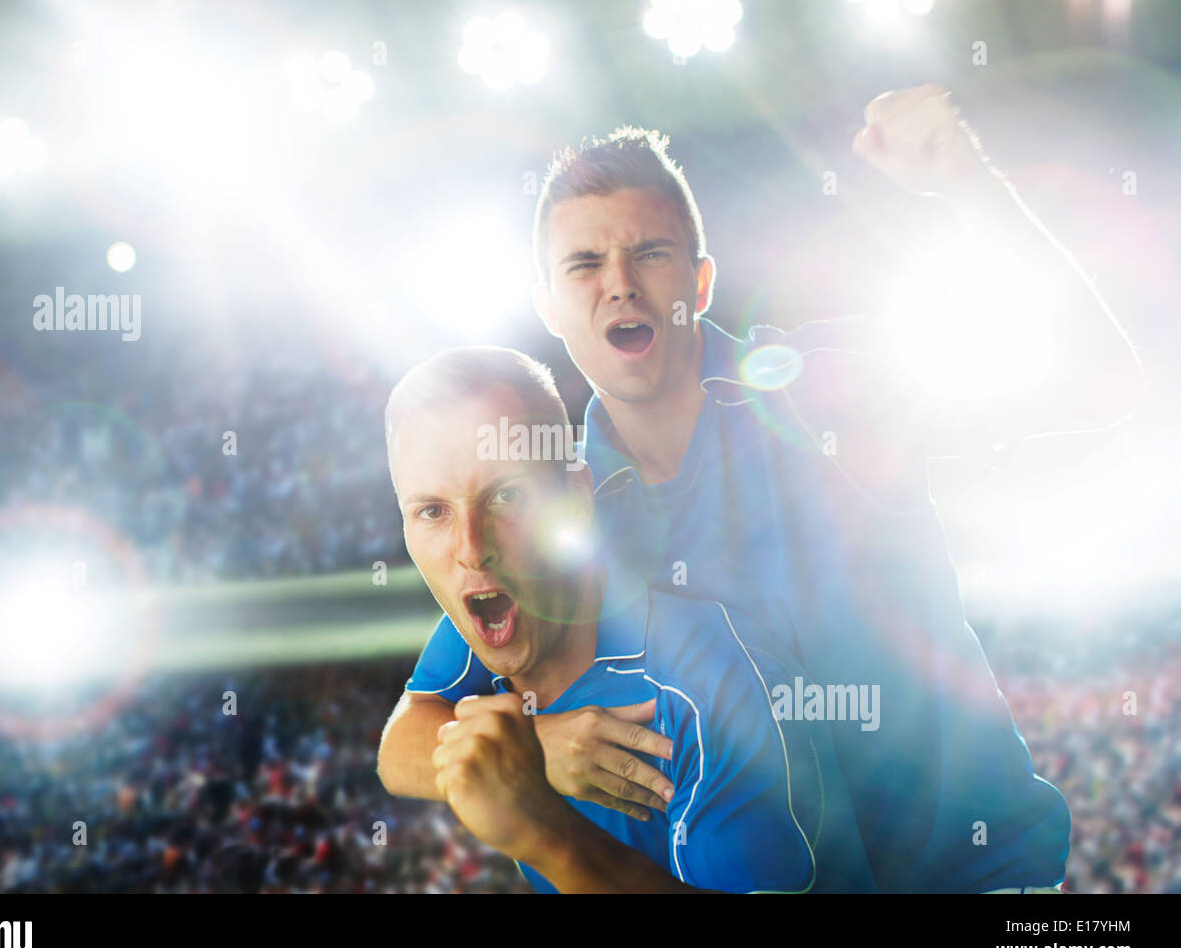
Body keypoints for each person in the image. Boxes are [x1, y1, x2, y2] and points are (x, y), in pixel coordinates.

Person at [381, 85, 1132, 891]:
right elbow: (406, 734)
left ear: (700, 284)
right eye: (585, 264)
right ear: (551, 307)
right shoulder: (550, 494)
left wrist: (970, 185)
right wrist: (540, 741)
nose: (620, 284)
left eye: (651, 254)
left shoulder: (822, 393)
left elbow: (1101, 385)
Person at [383, 344, 876, 892]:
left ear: (574, 495)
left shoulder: (713, 689)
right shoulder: (488, 599)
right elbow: (399, 744)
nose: (470, 549)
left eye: (506, 495)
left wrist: (544, 831)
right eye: (432, 511)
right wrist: (540, 749)